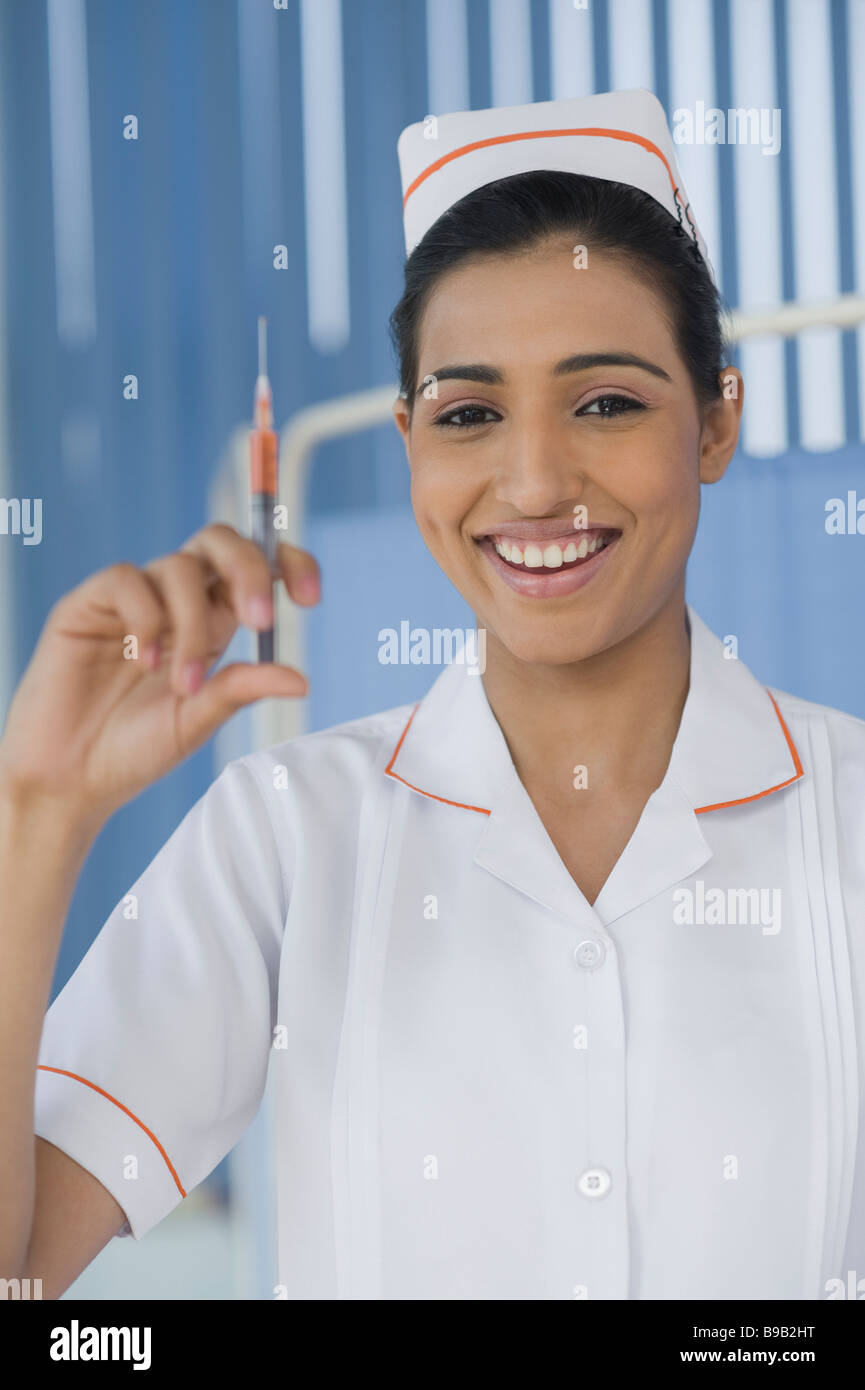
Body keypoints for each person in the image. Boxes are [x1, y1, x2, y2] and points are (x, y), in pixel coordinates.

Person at [1, 89, 862, 1301]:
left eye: (606, 400)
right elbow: (16, 1272)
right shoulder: (288, 834)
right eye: (468, 414)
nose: (532, 478)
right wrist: (35, 811)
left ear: (717, 419)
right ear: (409, 442)